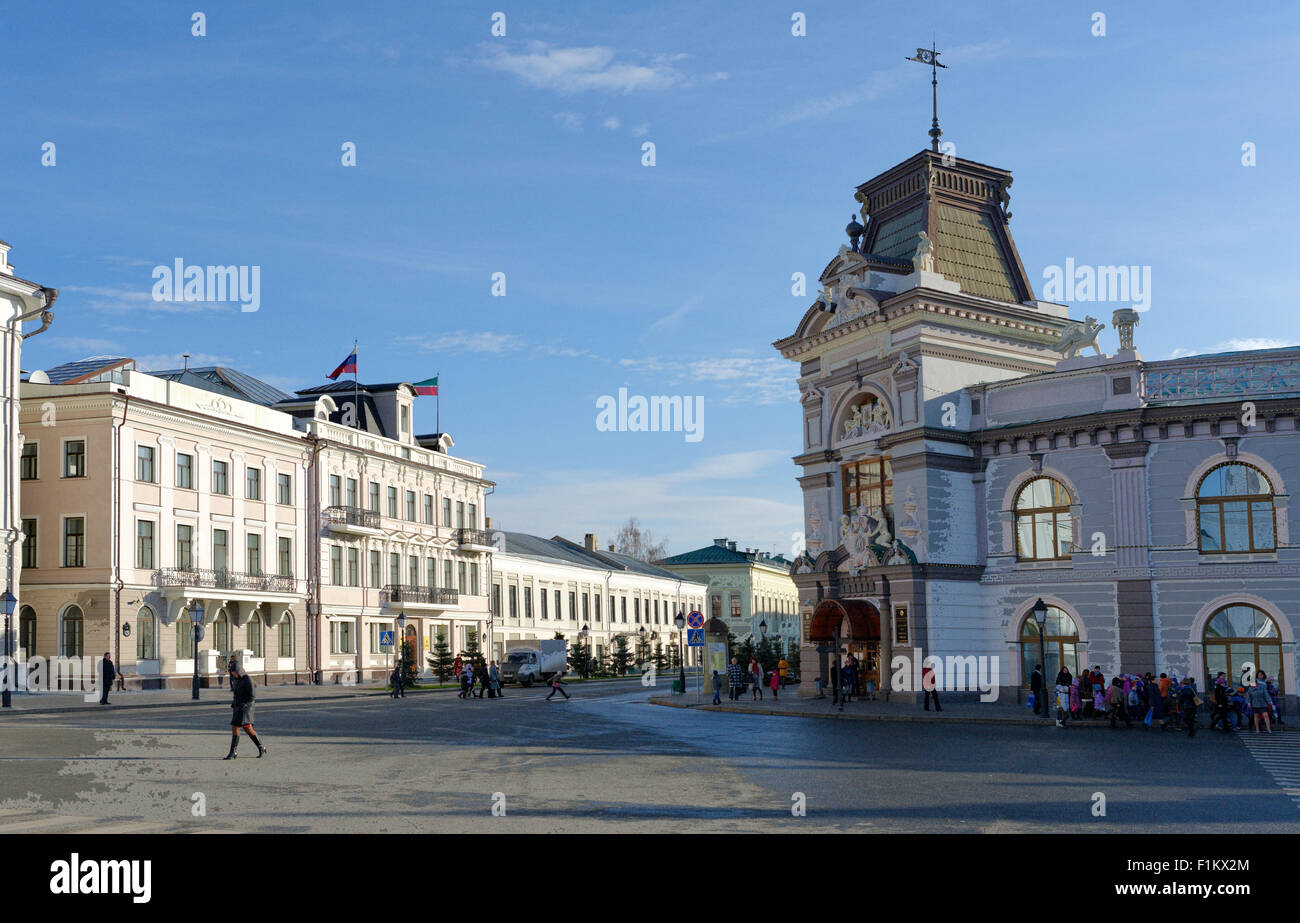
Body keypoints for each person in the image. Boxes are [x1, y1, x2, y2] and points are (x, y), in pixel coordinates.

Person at [223, 658, 266, 759]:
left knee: (241, 727)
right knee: (243, 727)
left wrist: (244, 704)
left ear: (239, 671)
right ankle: (260, 747)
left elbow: (252, 696)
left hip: (246, 708)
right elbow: (236, 693)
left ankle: (234, 752)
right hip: (238, 706)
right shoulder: (236, 679)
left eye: (234, 672)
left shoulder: (248, 679)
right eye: (232, 673)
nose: (233, 674)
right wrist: (234, 703)